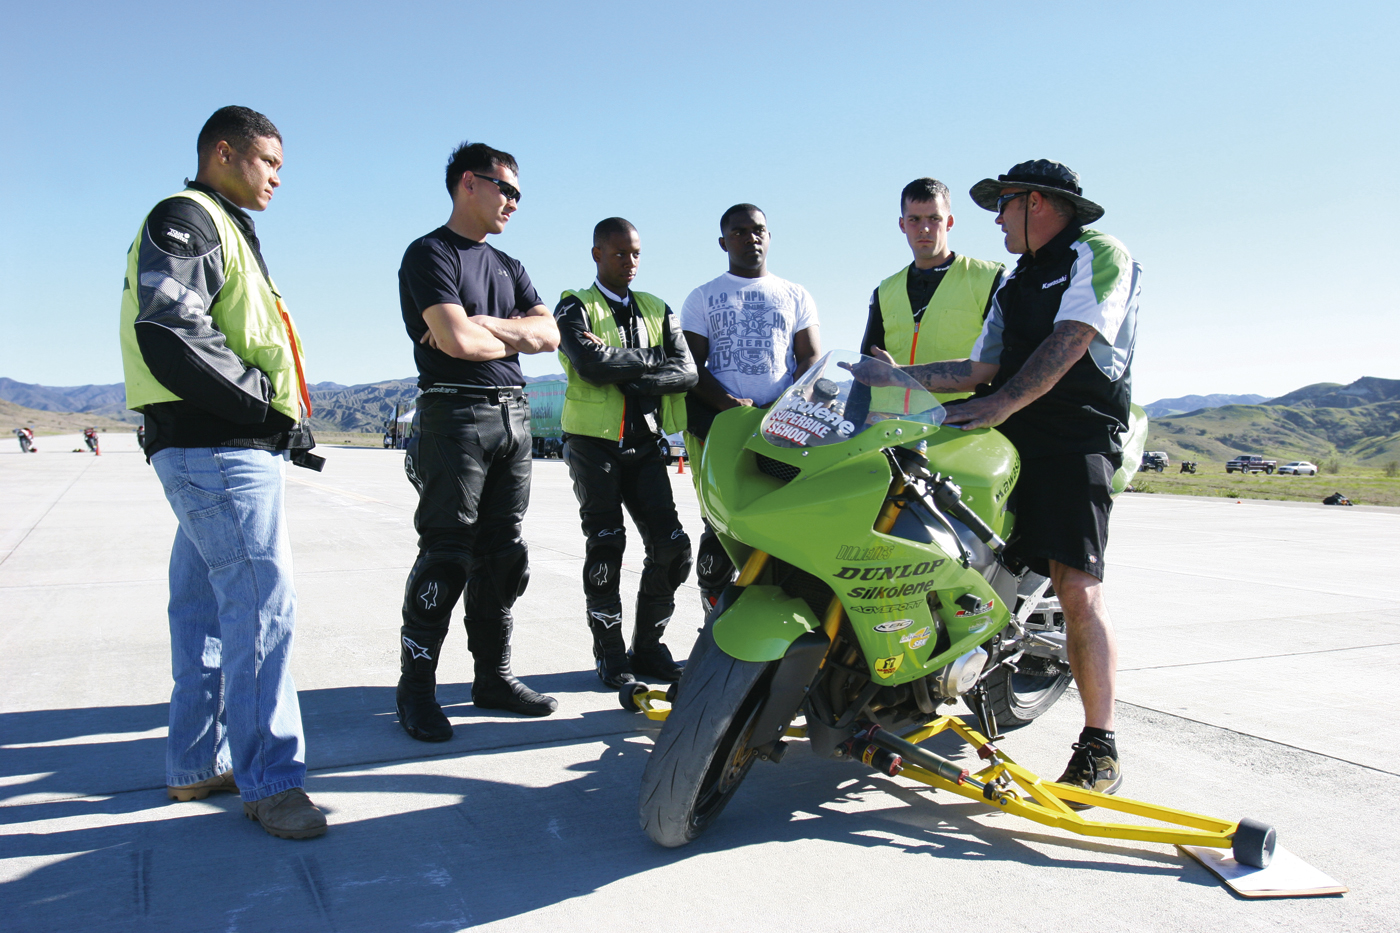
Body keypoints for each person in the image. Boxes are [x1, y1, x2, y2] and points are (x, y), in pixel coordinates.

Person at [861, 160, 1140, 802]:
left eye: (1004, 204)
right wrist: (898, 378)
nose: (995, 218)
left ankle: (1101, 745)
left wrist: (1001, 402)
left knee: (1077, 587)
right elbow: (979, 364)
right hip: (1007, 430)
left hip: (1075, 436)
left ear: (1036, 203)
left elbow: (1074, 337)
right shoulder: (1015, 281)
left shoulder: (1098, 252)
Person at [117, 105, 327, 839]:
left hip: (215, 445)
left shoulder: (226, 228)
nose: (276, 178)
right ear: (224, 153)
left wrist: (282, 423)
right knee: (261, 609)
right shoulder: (190, 217)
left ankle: (194, 762)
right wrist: (262, 408)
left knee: (205, 609)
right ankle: (271, 780)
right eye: (268, 162)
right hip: (219, 450)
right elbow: (170, 326)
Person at [394, 141, 561, 742]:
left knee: (503, 553)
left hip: (514, 418)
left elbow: (551, 335)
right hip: (454, 416)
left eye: (519, 194)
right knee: (447, 553)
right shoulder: (428, 254)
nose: (514, 202)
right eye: (506, 189)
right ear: (470, 182)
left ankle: (492, 678)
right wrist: (507, 334)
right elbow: (457, 346)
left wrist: (484, 323)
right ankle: (416, 690)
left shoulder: (510, 266)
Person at [555, 218, 698, 688]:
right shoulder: (573, 305)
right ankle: (610, 656)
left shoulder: (658, 307)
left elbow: (688, 372)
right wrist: (652, 358)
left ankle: (648, 648)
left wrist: (629, 367)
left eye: (636, 253)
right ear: (596, 254)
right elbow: (591, 366)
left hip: (646, 443)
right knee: (607, 545)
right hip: (592, 444)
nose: (629, 261)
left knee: (673, 548)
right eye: (619, 253)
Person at [680, 204, 820, 608]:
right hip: (723, 427)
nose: (750, 237)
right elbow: (691, 364)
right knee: (721, 523)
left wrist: (788, 401)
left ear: (769, 237)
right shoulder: (703, 296)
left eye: (758, 230)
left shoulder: (796, 294)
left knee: (779, 519)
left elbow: (810, 357)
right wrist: (728, 404)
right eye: (739, 232)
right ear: (724, 242)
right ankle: (714, 610)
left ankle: (778, 608)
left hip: (781, 427)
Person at [861, 178, 1003, 407]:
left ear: (950, 222)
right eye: (914, 219)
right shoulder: (885, 290)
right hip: (887, 431)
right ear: (902, 224)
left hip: (957, 429)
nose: (924, 228)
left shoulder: (989, 278)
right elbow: (867, 367)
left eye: (934, 218)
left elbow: (1004, 364)